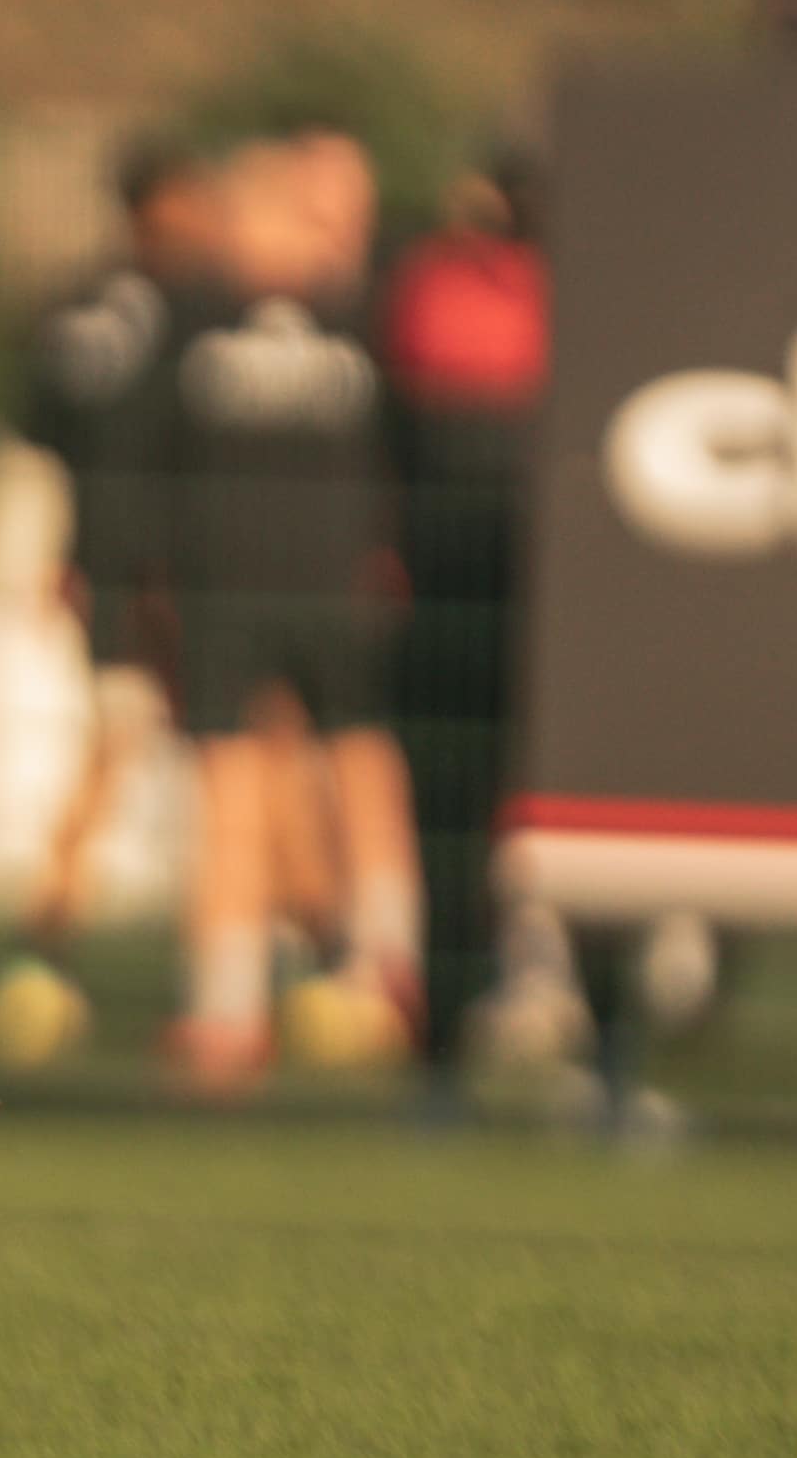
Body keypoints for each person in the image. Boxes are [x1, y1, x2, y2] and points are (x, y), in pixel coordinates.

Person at [159, 127, 420, 1089]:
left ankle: (387, 973)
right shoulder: (190, 321)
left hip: (338, 591)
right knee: (229, 797)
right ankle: (227, 1007)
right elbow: (150, 463)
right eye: (267, 213)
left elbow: (405, 453)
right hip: (222, 596)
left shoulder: (368, 315)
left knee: (364, 766)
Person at [0, 129, 226, 961]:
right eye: (189, 198)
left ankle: (61, 908)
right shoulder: (203, 308)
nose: (202, 215)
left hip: (148, 558)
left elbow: (44, 436)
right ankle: (57, 909)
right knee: (163, 737)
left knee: (160, 738)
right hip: (162, 565)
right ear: (152, 206)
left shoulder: (79, 303)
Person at [375, 147, 544, 1114]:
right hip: (452, 599)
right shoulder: (431, 290)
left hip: (536, 606)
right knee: (451, 824)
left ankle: (568, 1026)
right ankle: (447, 1037)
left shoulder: (588, 295)